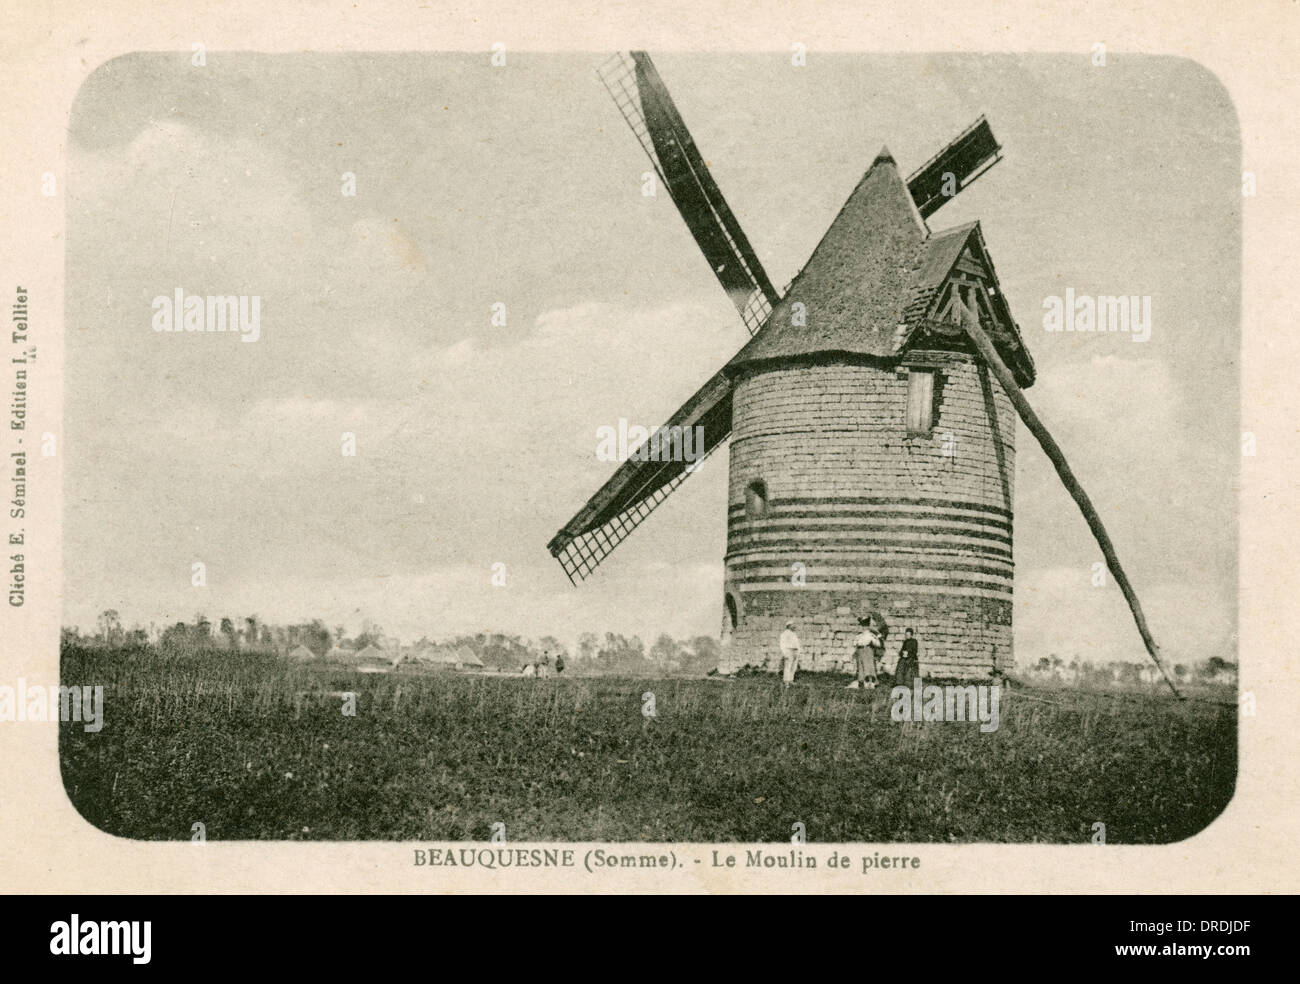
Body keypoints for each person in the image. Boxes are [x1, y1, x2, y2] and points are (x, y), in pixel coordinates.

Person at [849, 616, 881, 690]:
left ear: (868, 626)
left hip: (868, 650)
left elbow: (878, 644)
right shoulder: (859, 635)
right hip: (860, 651)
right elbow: (854, 644)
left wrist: (874, 640)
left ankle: (871, 683)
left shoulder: (871, 635)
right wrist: (856, 642)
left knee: (869, 667)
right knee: (860, 667)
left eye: (865, 625)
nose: (864, 627)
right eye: (862, 625)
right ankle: (861, 682)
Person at [778, 620, 801, 686]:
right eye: (792, 625)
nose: (794, 626)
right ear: (789, 626)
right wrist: (784, 653)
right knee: (788, 666)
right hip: (788, 651)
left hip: (795, 651)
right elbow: (782, 644)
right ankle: (786, 682)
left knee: (793, 667)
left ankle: (791, 680)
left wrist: (798, 651)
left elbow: (797, 644)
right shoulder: (784, 634)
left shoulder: (794, 634)